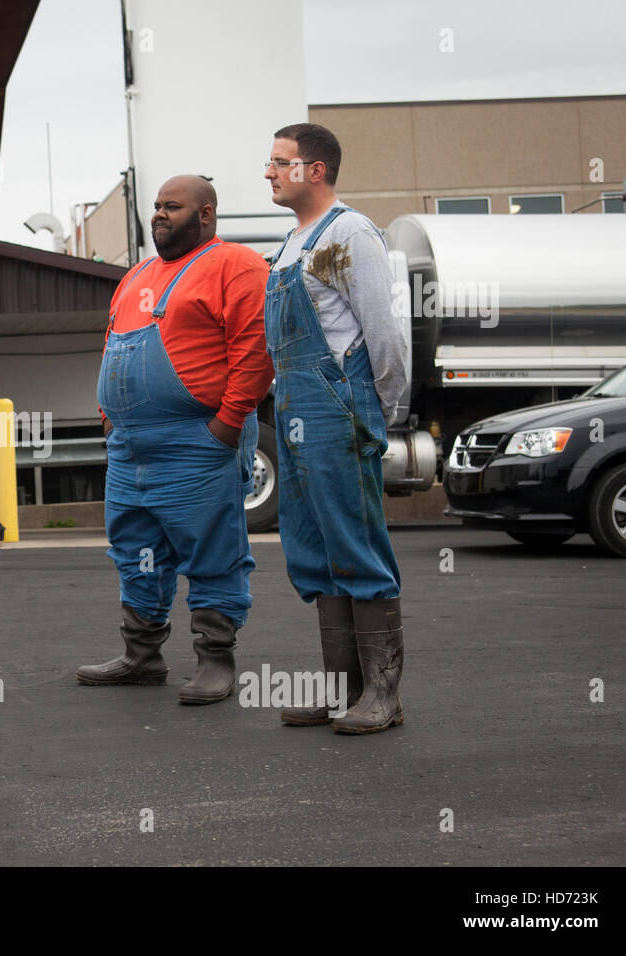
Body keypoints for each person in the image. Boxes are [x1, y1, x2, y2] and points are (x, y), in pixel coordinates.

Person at [77, 175, 274, 704]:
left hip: (197, 442)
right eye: (157, 206)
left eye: (173, 206)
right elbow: (113, 343)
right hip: (131, 448)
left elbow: (255, 349)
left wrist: (227, 425)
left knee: (212, 549)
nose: (159, 214)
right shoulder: (139, 274)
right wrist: (109, 416)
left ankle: (215, 659)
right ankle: (142, 656)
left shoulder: (237, 265)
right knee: (135, 550)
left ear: (206, 214)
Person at [262, 123, 408, 734]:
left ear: (314, 170)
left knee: (355, 545)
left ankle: (383, 695)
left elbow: (386, 333)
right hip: (294, 408)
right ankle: (341, 690)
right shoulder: (289, 244)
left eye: (279, 162)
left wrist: (381, 411)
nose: (268, 172)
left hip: (338, 409)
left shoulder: (347, 234)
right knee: (313, 549)